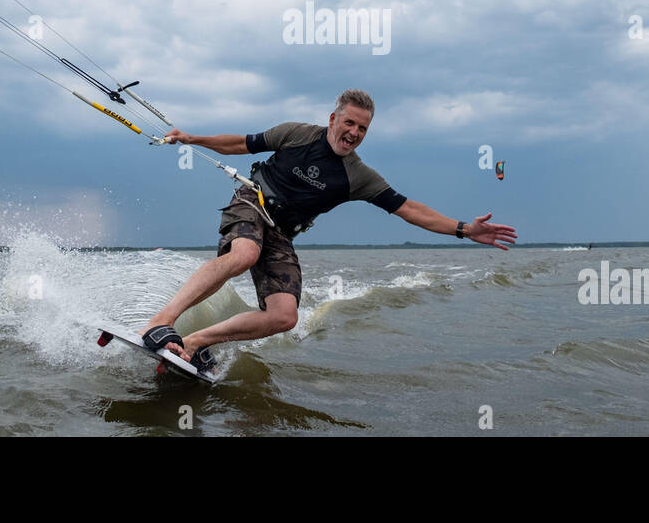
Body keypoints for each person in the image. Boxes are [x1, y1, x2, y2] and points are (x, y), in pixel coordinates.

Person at [140, 89, 517, 375]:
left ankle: (193, 343)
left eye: (362, 129)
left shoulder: (358, 176)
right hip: (252, 201)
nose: (353, 133)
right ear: (333, 118)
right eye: (349, 123)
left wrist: (464, 229)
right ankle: (161, 321)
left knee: (285, 316)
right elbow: (241, 143)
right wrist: (191, 139)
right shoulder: (298, 134)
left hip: (282, 232)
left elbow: (409, 209)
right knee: (243, 254)